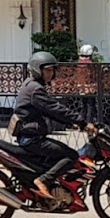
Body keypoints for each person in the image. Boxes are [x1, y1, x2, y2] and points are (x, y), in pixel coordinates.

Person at [11, 51, 94, 206]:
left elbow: (49, 111)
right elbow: (55, 109)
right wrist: (82, 122)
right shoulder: (35, 89)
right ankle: (42, 180)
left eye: (52, 70)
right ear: (38, 69)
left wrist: (71, 122)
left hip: (30, 135)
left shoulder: (32, 85)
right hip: (32, 139)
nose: (51, 74)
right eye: (47, 70)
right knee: (71, 155)